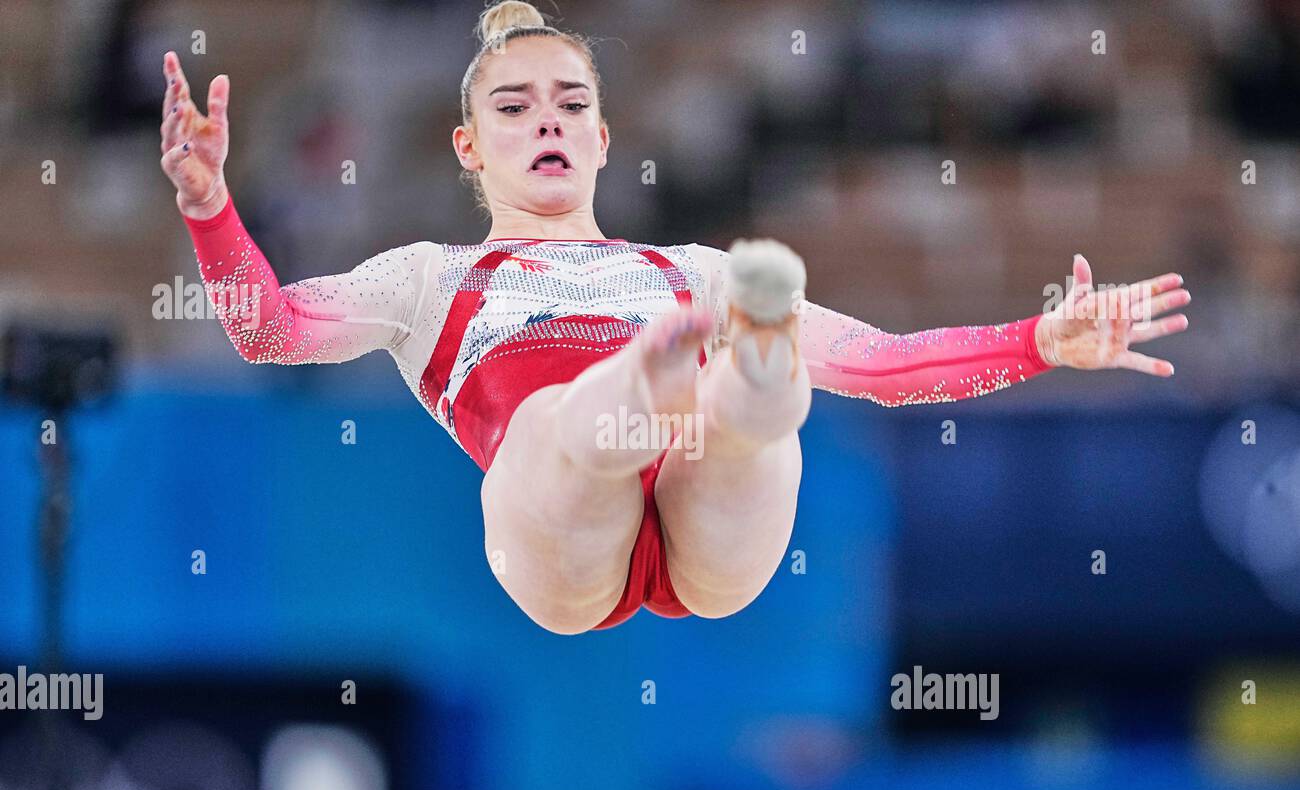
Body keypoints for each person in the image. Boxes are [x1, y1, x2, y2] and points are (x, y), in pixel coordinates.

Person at [159, 1, 1190, 635]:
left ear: (605, 138)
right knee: (559, 436)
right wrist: (210, 205)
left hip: (705, 520)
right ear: (468, 148)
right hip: (555, 543)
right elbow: (270, 331)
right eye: (513, 108)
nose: (546, 120)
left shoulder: (691, 270)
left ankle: (736, 383)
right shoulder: (428, 279)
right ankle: (661, 382)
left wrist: (1038, 341)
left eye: (567, 102)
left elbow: (880, 366)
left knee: (764, 423)